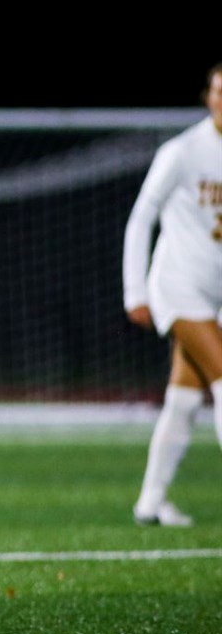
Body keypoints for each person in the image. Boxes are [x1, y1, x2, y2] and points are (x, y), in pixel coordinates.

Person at [121, 62, 222, 527]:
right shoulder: (182, 151)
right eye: (219, 91)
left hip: (216, 294)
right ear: (207, 97)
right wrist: (135, 290)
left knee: (184, 398)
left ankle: (149, 502)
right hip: (177, 286)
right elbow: (142, 217)